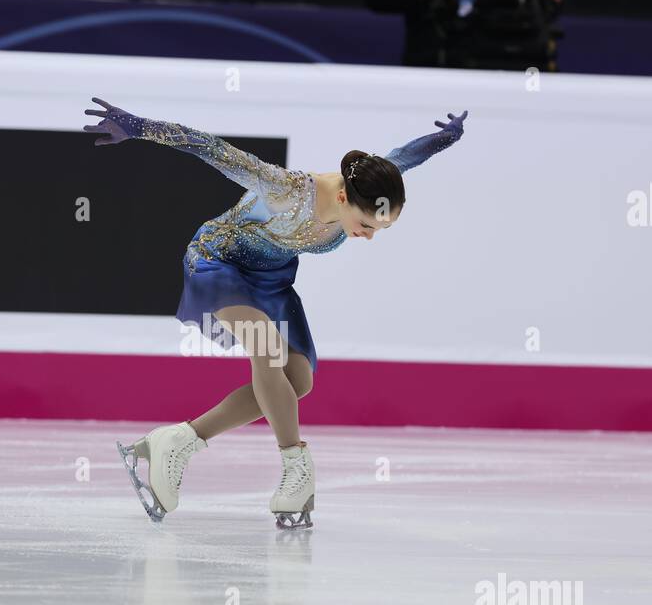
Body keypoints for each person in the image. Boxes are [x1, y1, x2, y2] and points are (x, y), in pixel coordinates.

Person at [82, 97, 468, 528]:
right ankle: (296, 467)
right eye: (365, 226)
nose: (368, 236)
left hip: (271, 279)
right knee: (266, 349)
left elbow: (402, 159)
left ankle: (178, 441)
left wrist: (443, 139)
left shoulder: (366, 186)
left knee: (297, 380)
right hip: (219, 260)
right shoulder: (286, 190)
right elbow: (210, 147)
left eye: (379, 229)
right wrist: (140, 127)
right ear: (342, 197)